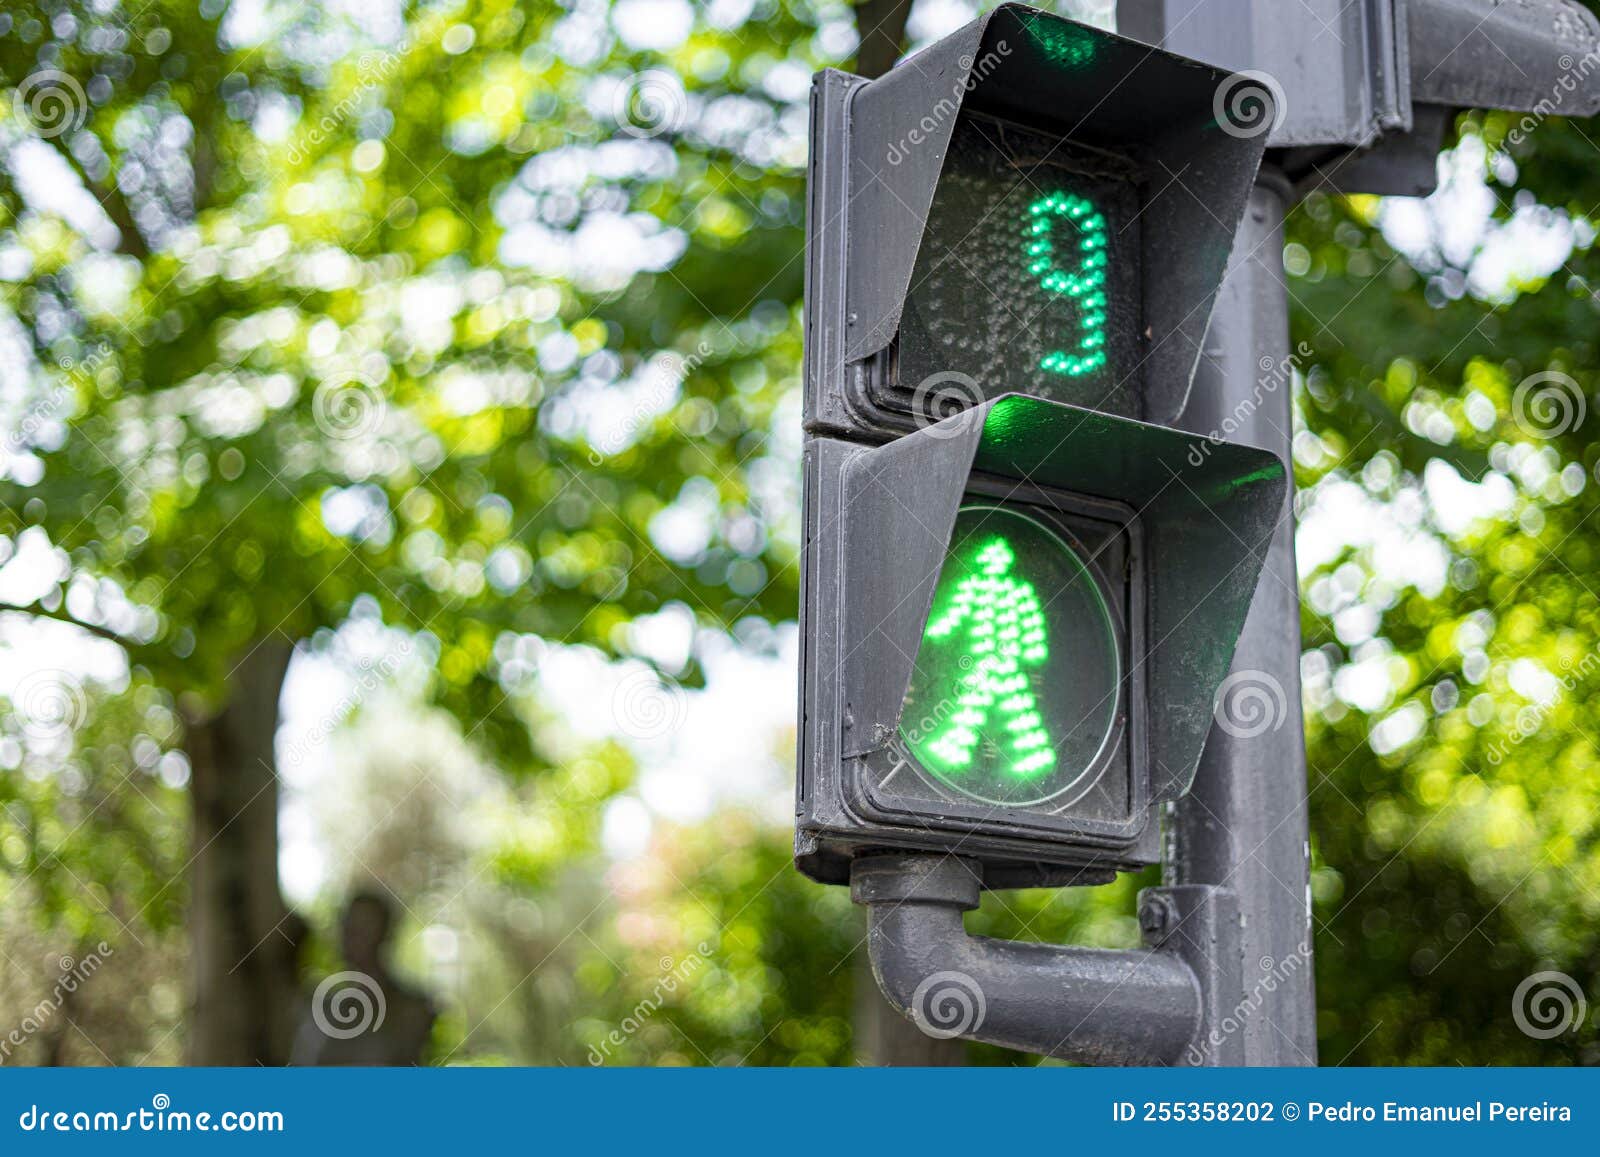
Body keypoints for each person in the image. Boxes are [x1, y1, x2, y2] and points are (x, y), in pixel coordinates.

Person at [290, 889, 436, 1065]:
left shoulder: (412, 1009)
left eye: (364, 926)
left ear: (385, 933)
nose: (351, 935)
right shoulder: (321, 1008)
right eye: (347, 925)